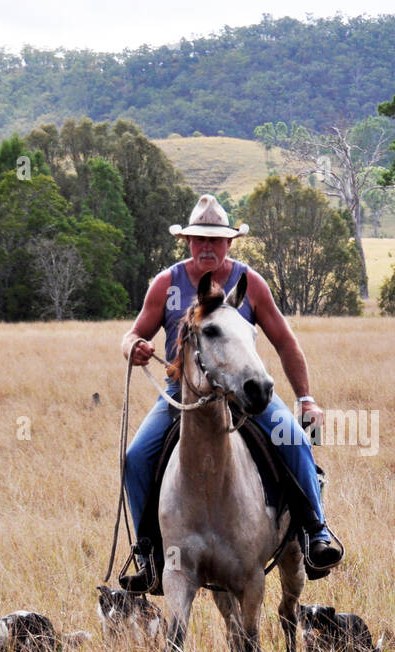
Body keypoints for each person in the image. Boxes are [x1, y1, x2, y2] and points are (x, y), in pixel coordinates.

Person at [117, 194, 344, 592]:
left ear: (229, 243)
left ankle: (314, 531)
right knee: (136, 457)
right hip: (182, 395)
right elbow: (134, 332)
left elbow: (286, 343)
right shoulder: (166, 284)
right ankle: (148, 554)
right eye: (199, 240)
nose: (207, 247)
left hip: (245, 392)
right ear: (187, 241)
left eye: (215, 240)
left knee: (292, 438)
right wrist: (133, 346)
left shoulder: (250, 283)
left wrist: (306, 398)